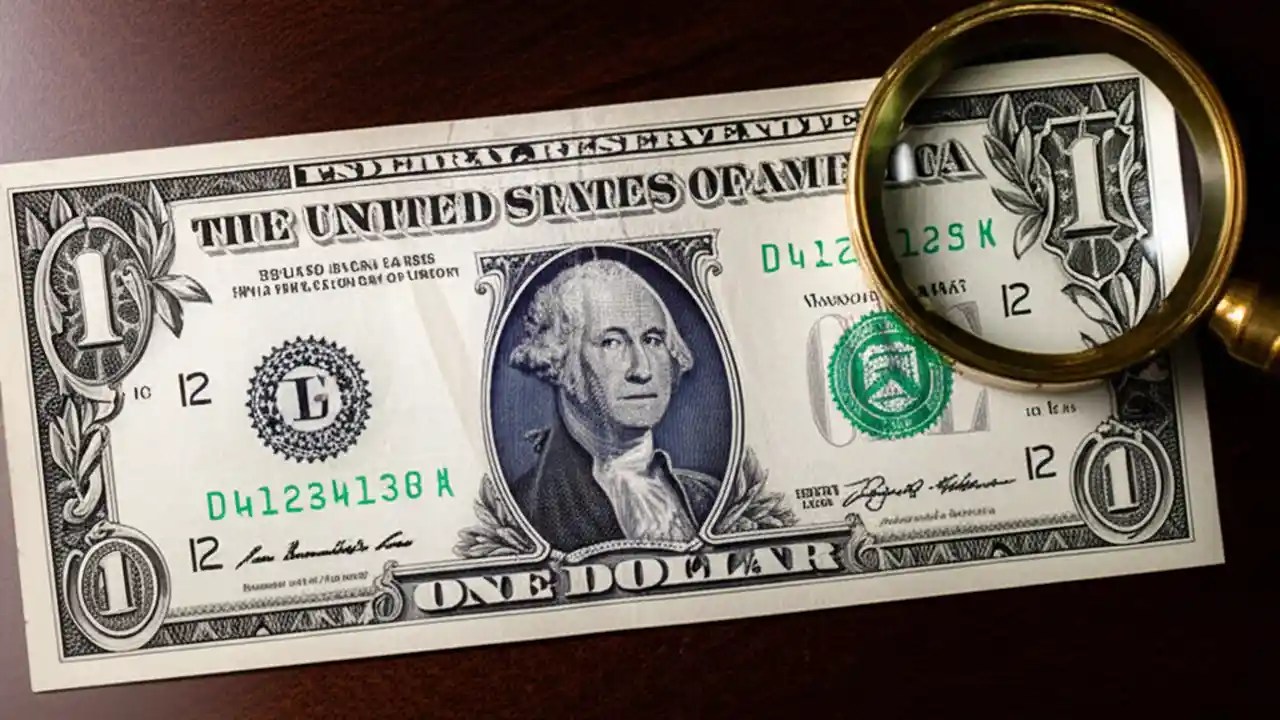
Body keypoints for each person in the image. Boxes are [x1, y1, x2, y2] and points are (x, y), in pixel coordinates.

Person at [507, 258, 720, 553]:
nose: (642, 370)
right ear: (559, 358)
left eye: (653, 340)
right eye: (611, 342)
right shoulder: (522, 513)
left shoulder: (708, 496)